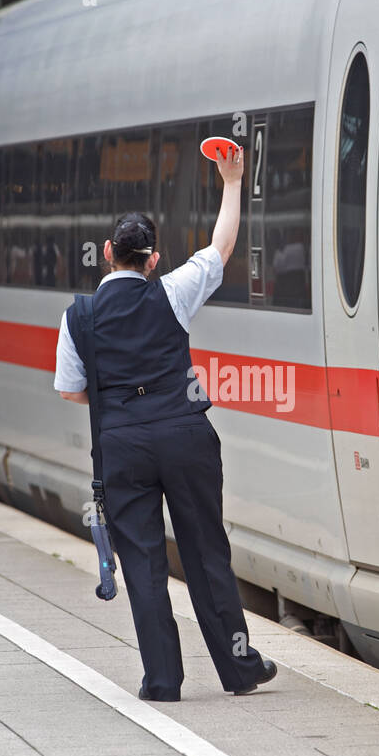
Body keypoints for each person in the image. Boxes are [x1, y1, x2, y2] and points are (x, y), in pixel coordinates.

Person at [53, 147, 277, 702]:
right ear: (153, 260)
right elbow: (221, 246)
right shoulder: (173, 293)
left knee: (144, 565)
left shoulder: (78, 316)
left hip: (122, 448)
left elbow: (72, 391)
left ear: (107, 254)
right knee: (206, 553)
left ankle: (162, 681)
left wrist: (120, 403)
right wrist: (231, 181)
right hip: (184, 438)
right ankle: (240, 667)